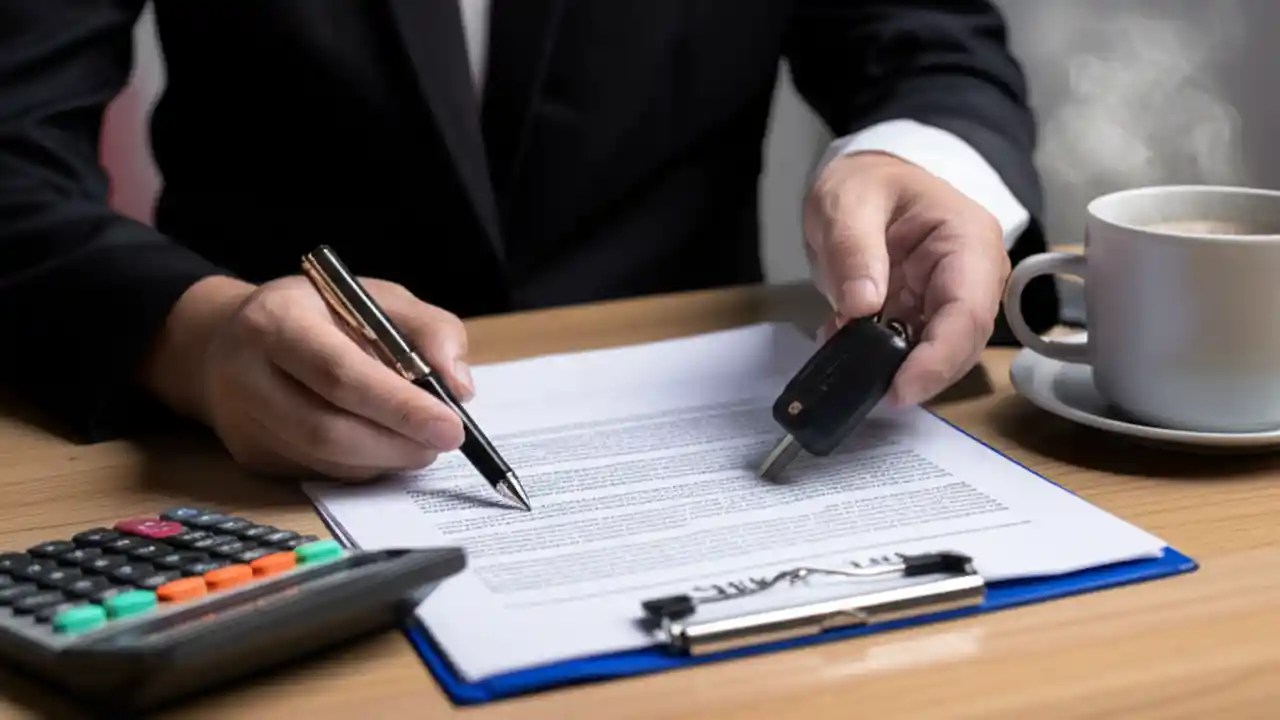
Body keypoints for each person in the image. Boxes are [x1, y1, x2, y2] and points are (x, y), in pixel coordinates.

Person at [0, 1, 1058, 480]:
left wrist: (929, 167)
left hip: (686, 413)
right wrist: (195, 340)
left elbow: (931, 44)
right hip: (244, 452)